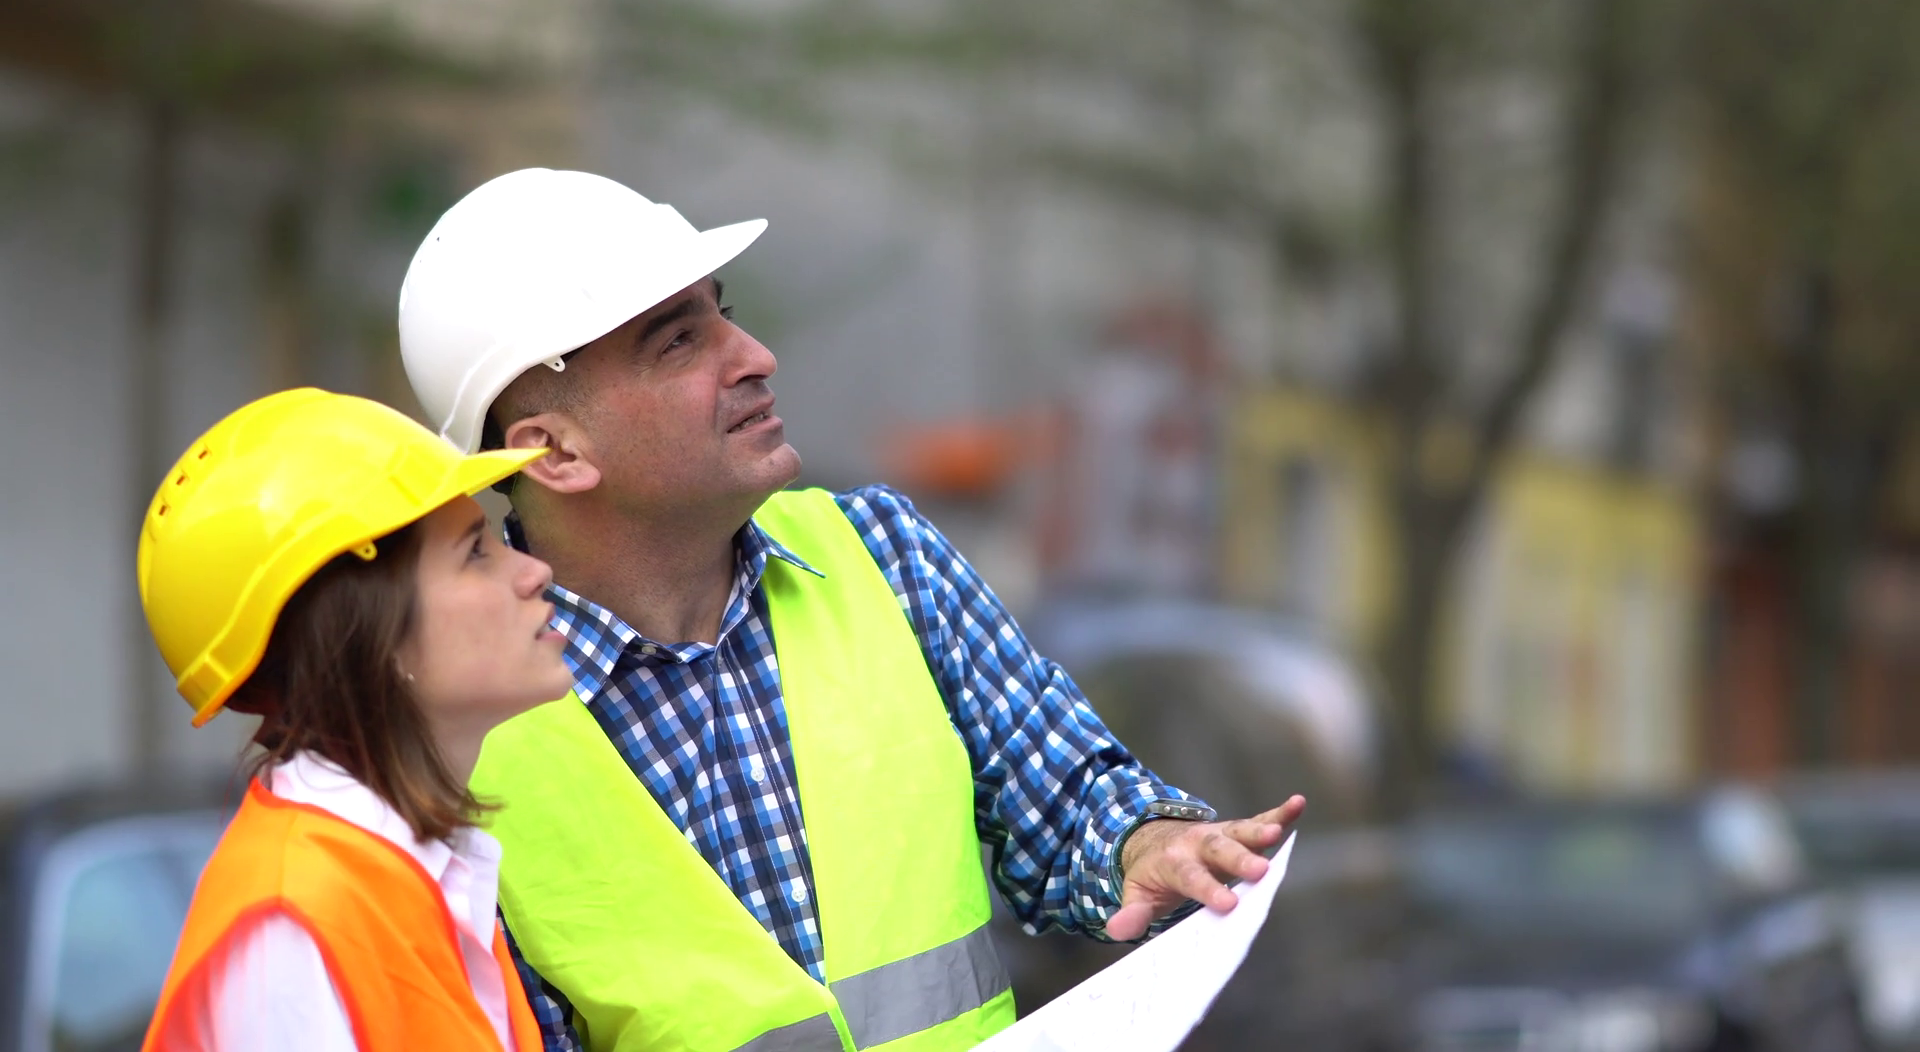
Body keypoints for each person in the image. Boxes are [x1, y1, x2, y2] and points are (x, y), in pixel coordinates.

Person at [397, 167, 1307, 1052]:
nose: (753, 358)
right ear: (552, 452)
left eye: (727, 314)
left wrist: (1148, 841)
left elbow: (1067, 798)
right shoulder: (463, 737)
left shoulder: (882, 553)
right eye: (678, 342)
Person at [136, 388, 573, 1051]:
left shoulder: (401, 872)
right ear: (368, 635)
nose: (535, 572)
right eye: (475, 553)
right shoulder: (296, 918)